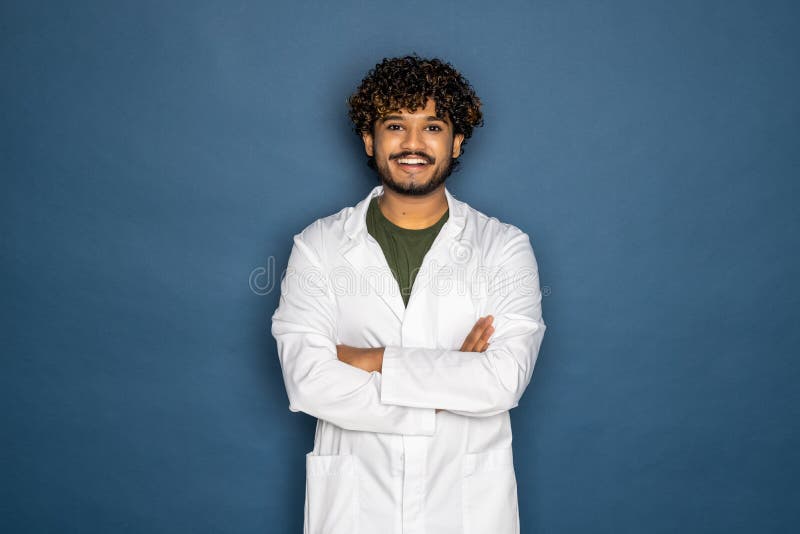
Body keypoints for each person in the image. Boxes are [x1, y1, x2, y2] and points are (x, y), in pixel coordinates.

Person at [271, 55, 546, 534]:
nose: (413, 143)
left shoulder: (504, 247)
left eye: (432, 127)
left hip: (464, 509)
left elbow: (504, 381)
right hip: (357, 508)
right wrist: (450, 379)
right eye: (395, 125)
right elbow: (307, 381)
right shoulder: (318, 246)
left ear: (456, 141)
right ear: (369, 139)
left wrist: (371, 359)